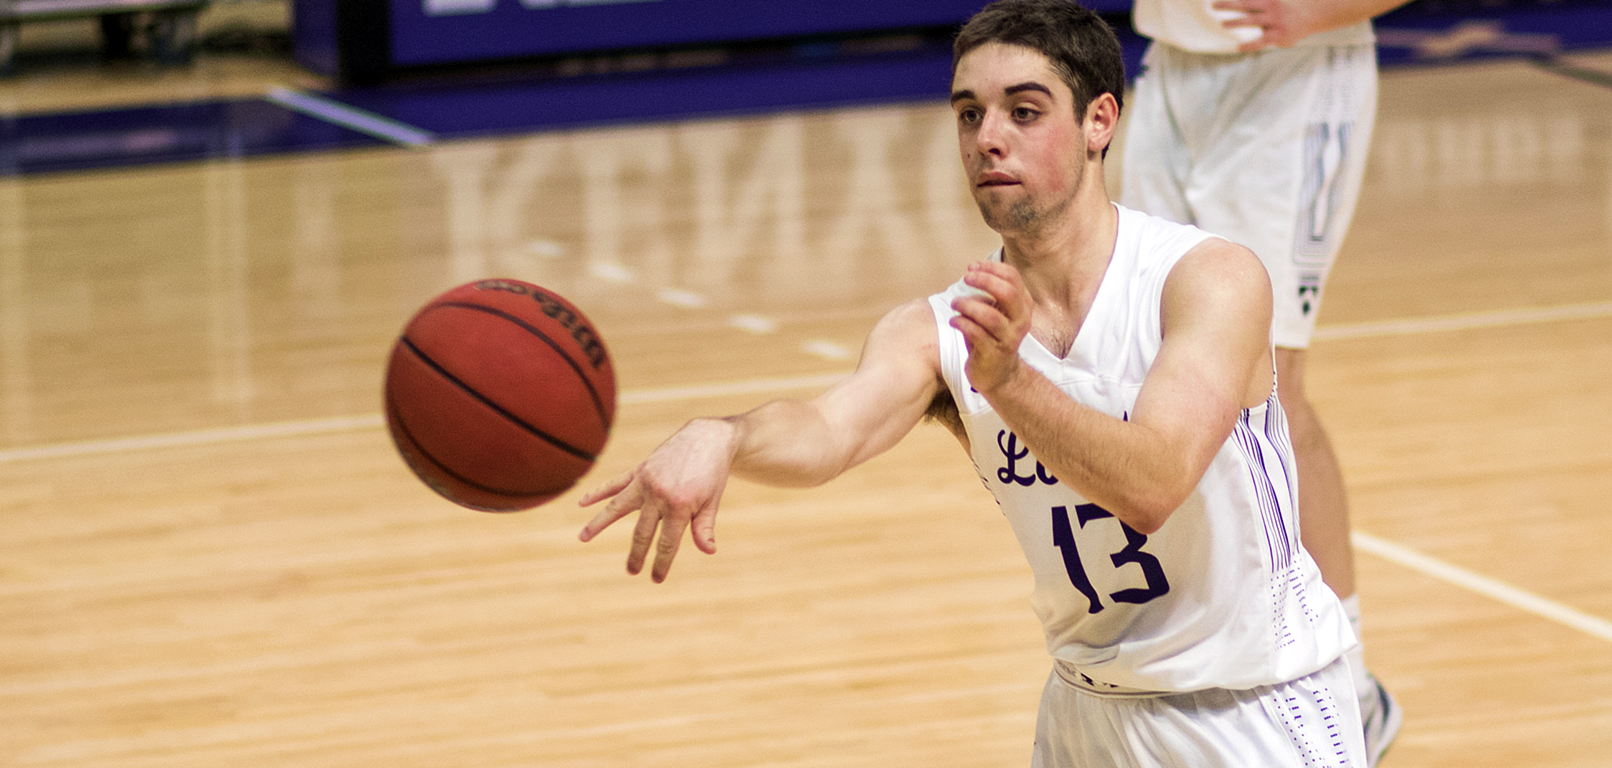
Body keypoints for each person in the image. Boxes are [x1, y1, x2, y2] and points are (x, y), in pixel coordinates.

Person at [579, 0, 1364, 764]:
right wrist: (726, 436)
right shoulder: (937, 330)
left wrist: (1011, 383)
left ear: (1099, 121)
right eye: (968, 114)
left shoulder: (1207, 280)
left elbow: (1154, 482)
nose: (988, 138)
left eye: (1024, 112)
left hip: (1250, 708)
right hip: (1088, 710)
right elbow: (826, 432)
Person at [1118, 0, 1411, 762]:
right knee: (1158, 363)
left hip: (1295, 80)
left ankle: (1350, 691)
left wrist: (1320, 10)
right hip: (1172, 67)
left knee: (1271, 385)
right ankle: (1216, 661)